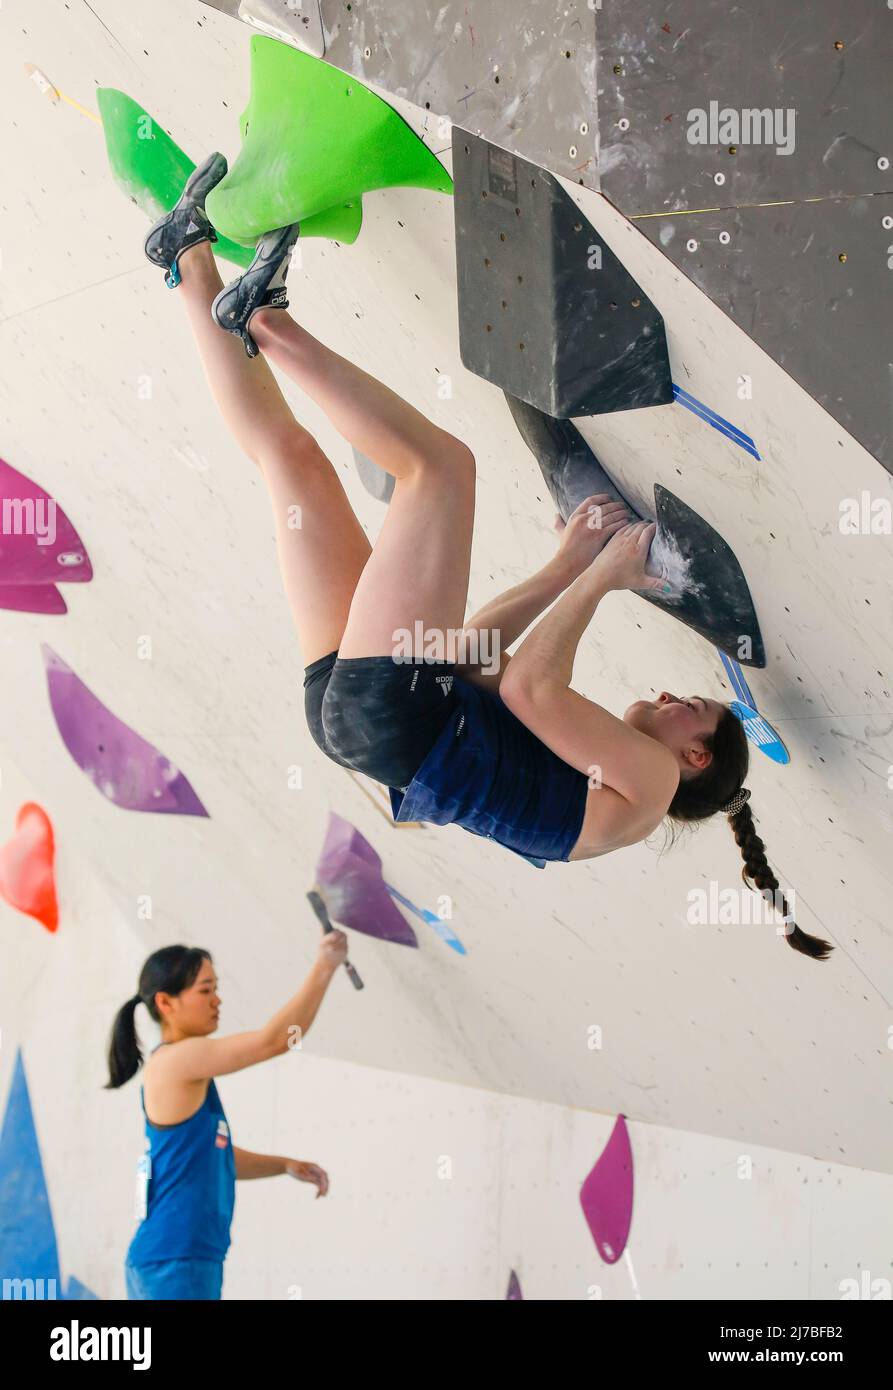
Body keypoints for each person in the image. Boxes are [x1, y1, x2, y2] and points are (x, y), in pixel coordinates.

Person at [141, 154, 831, 961]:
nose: (681, 695)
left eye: (697, 708)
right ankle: (188, 253)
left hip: (398, 718)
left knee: (440, 470)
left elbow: (531, 685)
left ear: (696, 754)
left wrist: (605, 573)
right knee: (293, 466)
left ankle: (265, 318)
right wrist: (563, 568)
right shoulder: (589, 778)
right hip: (365, 720)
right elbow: (476, 657)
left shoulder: (646, 791)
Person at [106, 934, 347, 1299]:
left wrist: (284, 1164)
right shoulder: (178, 1060)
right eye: (205, 991)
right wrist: (325, 965)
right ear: (165, 1002)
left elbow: (212, 1156)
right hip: (176, 1261)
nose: (217, 1000)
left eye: (216, 989)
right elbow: (276, 1040)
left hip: (178, 1260)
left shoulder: (183, 1067)